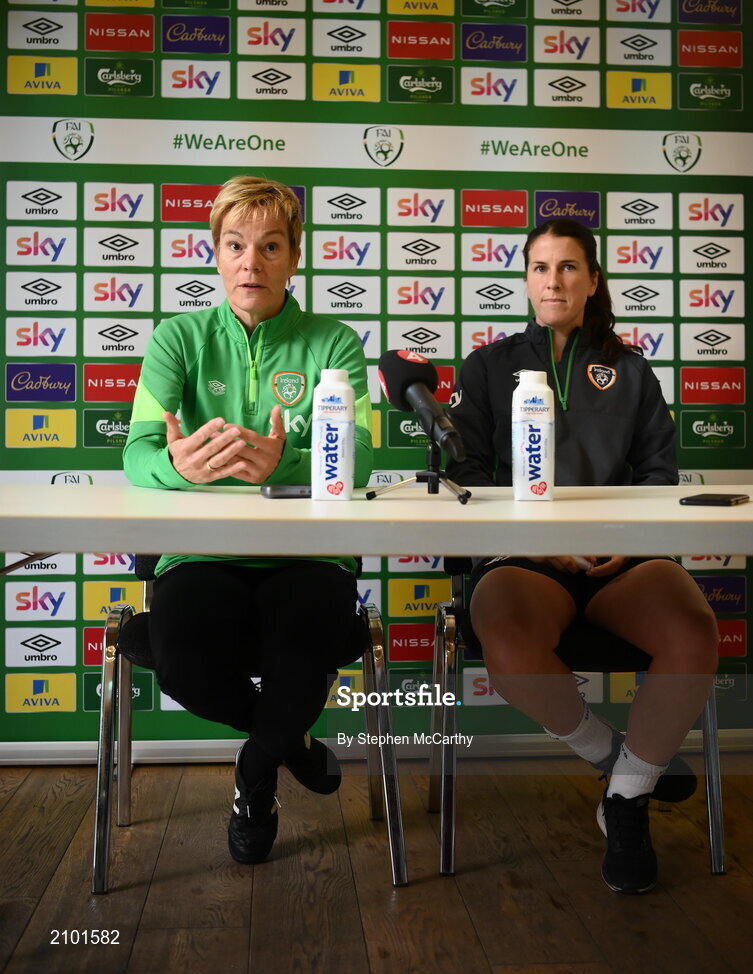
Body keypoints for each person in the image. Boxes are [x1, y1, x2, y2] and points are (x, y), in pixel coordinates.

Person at [446, 218, 719, 895]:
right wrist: (544, 541)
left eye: (568, 267)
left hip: (621, 558)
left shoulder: (629, 369)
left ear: (592, 279)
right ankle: (616, 756)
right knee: (505, 640)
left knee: (691, 634)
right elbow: (467, 478)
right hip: (523, 559)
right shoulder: (487, 366)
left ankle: (624, 800)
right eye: (540, 267)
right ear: (525, 280)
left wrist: (616, 536)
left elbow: (659, 474)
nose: (553, 280)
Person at [123, 175, 373, 865]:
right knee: (181, 663)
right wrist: (183, 468)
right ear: (215, 253)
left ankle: (256, 775)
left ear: (295, 256)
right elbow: (136, 452)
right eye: (234, 245)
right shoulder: (176, 338)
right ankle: (286, 741)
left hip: (308, 558)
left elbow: (365, 456)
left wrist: (284, 464)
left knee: (302, 655)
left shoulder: (335, 341)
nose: (249, 263)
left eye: (268, 246)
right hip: (201, 557)